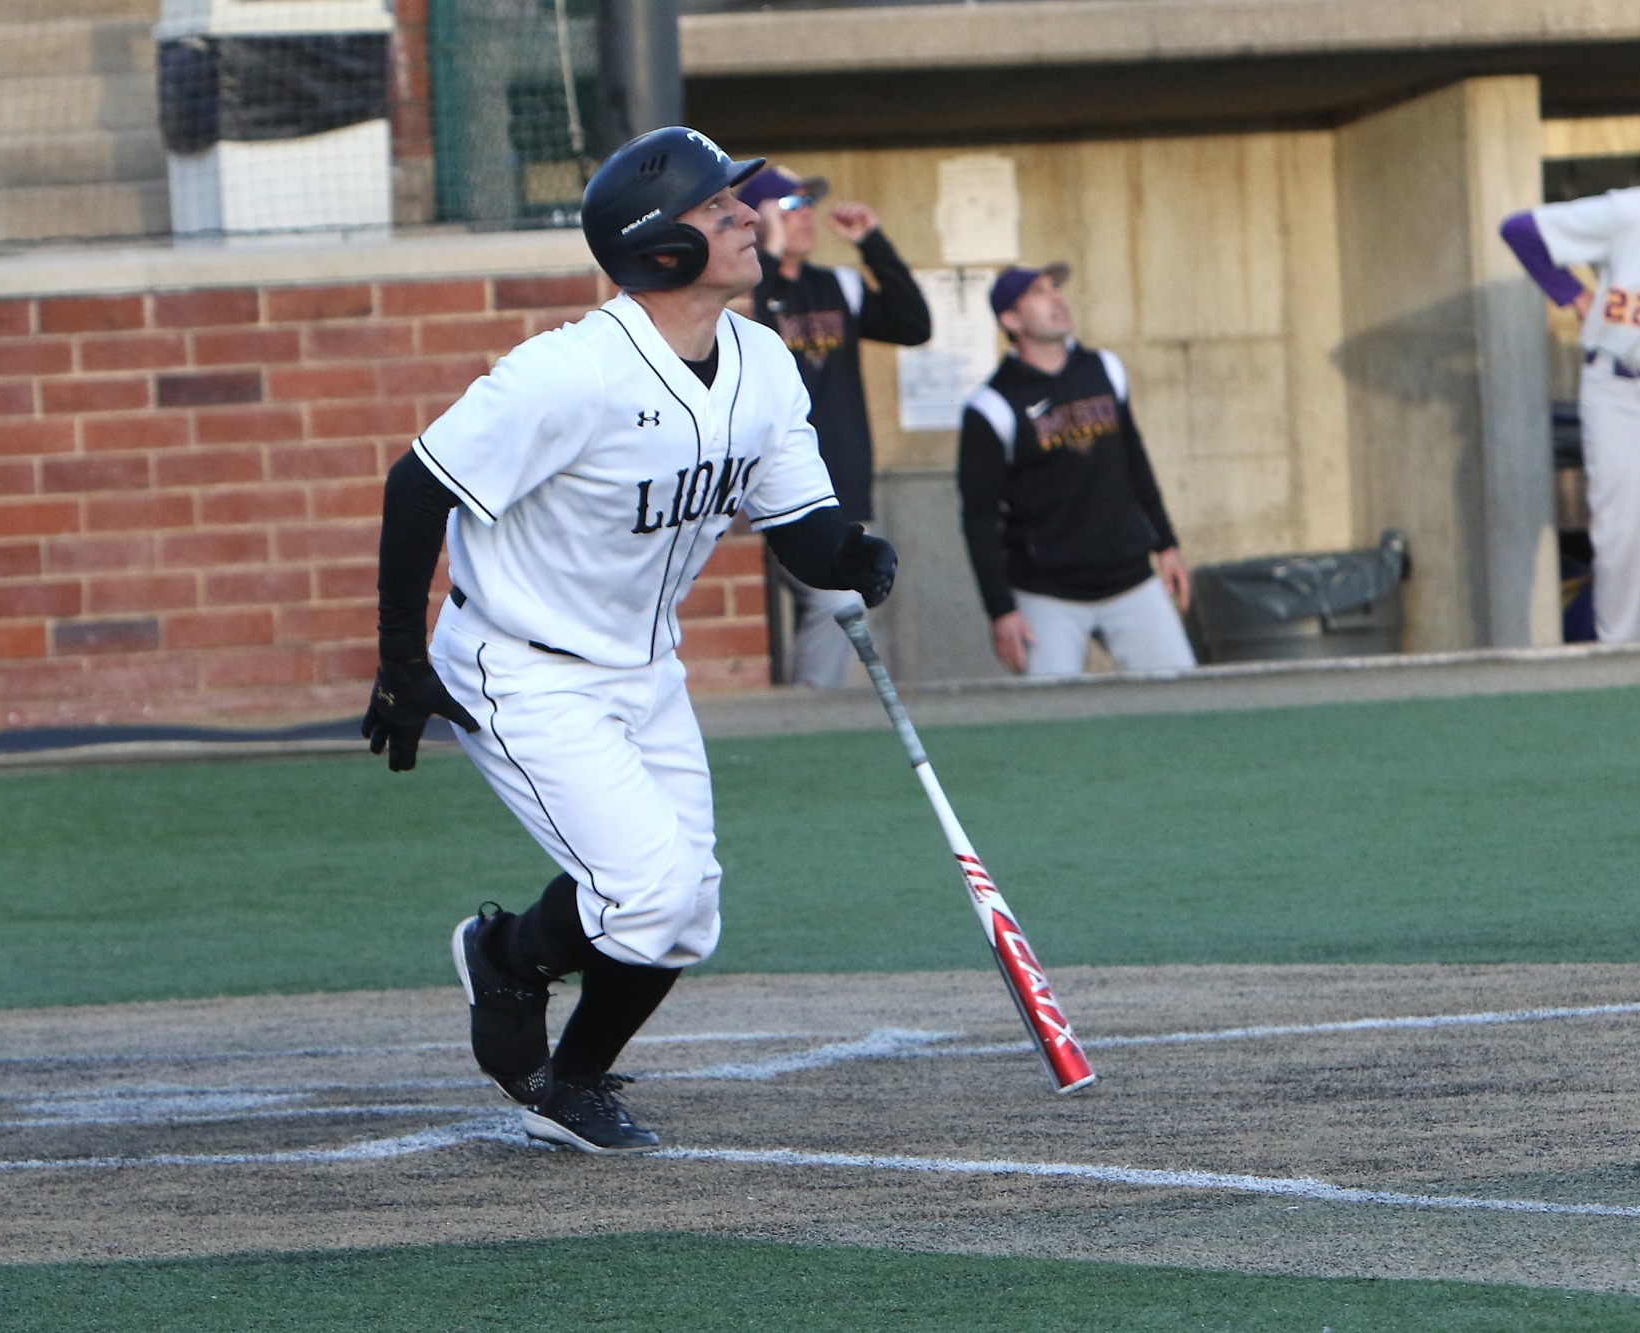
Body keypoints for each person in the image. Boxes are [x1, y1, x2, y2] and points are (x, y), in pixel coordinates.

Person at [359, 126, 897, 1155]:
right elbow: (416, 484)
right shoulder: (568, 373)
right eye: (717, 206)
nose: (745, 215)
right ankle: (539, 1024)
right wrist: (400, 661)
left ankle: (539, 1009)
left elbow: (797, 523)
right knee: (647, 890)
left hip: (645, 669)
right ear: (661, 247)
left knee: (685, 911)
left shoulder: (761, 361)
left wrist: (849, 553)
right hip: (521, 667)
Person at [1500, 109, 1640, 643]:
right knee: (1620, 536)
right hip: (1619, 389)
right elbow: (1520, 230)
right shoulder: (1630, 213)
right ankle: (1620, 659)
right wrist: (1572, 295)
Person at [956, 262, 1195, 677]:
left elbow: (1135, 463)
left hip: (1129, 579)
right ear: (1010, 320)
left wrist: (1167, 546)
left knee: (1182, 698)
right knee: (1047, 725)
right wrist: (1001, 610)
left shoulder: (1104, 370)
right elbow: (979, 519)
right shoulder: (991, 406)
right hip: (1046, 594)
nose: (1056, 298)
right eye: (1039, 293)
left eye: (1055, 289)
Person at [740, 166, 930, 687]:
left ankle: (807, 702)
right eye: (792, 206)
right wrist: (769, 257)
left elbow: (914, 325)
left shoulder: (837, 285)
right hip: (768, 485)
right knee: (835, 605)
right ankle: (808, 708)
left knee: (837, 602)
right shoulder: (747, 289)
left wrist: (872, 243)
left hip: (840, 481)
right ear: (761, 219)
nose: (808, 218)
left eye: (808, 205)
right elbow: (743, 326)